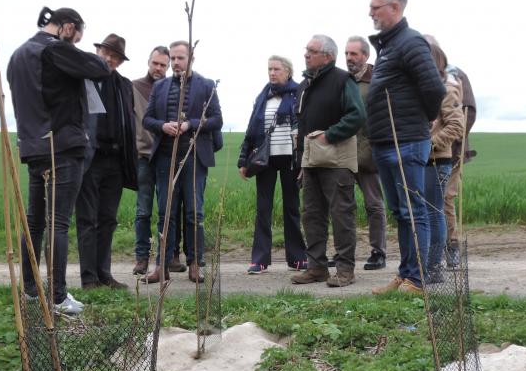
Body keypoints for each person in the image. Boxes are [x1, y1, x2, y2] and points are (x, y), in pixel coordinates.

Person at [7, 6, 110, 315]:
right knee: (59, 222)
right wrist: (72, 49)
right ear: (67, 27)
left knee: (35, 222)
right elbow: (100, 67)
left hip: (33, 146)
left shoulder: (17, 55)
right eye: (77, 37)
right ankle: (58, 296)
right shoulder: (54, 50)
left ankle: (29, 290)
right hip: (62, 146)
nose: (75, 44)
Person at [364, 0, 445, 295]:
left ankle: (418, 280)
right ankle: (405, 274)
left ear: (394, 7)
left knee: (414, 210)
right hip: (386, 140)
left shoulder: (410, 42)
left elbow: (434, 89)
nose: (370, 12)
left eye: (375, 7)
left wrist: (422, 120)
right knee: (400, 212)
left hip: (406, 140)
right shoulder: (390, 46)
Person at [141, 40, 223, 284]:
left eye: (180, 58)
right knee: (165, 212)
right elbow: (147, 120)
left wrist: (191, 125)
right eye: (173, 59)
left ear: (191, 59)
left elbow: (217, 119)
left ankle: (195, 264)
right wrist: (162, 126)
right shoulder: (160, 87)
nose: (175, 63)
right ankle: (161, 266)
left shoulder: (206, 86)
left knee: (193, 212)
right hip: (166, 157)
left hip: (194, 157)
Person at [289, 35, 366, 288]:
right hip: (311, 162)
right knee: (312, 215)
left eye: (312, 50)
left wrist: (330, 135)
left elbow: (357, 115)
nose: (306, 54)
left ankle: (345, 270)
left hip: (338, 161)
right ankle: (317, 268)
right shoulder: (304, 86)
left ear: (328, 56)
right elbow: (301, 127)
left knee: (342, 214)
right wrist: (301, 161)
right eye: (306, 49)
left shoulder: (343, 80)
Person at [76, 33, 137, 290]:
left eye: (115, 57)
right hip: (89, 159)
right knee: (87, 219)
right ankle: (89, 278)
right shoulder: (82, 79)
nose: (110, 59)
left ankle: (105, 274)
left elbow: (130, 123)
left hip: (115, 160)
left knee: (108, 219)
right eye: (107, 53)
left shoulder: (123, 85)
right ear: (98, 52)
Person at [237, 55, 306, 274]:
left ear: (288, 71)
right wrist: (243, 160)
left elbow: (304, 126)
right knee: (263, 209)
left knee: (292, 208)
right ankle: (259, 260)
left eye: (276, 69)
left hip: (290, 158)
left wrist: (304, 159)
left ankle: (297, 258)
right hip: (264, 160)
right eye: (269, 69)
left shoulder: (299, 94)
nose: (272, 73)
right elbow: (252, 129)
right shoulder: (262, 97)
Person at [426, 34, 478, 267]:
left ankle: (452, 247)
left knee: (446, 200)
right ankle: (430, 255)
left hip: (451, 150)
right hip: (428, 152)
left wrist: (453, 146)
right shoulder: (421, 78)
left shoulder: (455, 77)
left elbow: (467, 115)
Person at [422, 38, 465, 281]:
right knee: (424, 211)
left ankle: (435, 268)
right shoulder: (423, 90)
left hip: (437, 160)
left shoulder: (446, 89)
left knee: (434, 211)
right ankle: (426, 265)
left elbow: (457, 125)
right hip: (421, 160)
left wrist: (429, 143)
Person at [344, 36, 387, 271]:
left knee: (373, 205)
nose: (349, 58)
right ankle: (345, 252)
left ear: (366, 56)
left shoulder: (377, 80)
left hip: (370, 153)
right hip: (343, 153)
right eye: (347, 54)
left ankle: (378, 251)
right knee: (343, 206)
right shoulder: (343, 81)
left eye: (354, 54)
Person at [132, 46, 169, 276]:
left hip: (165, 157)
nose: (158, 68)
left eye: (163, 65)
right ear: (148, 62)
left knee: (167, 211)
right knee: (143, 211)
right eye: (155, 63)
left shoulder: (172, 88)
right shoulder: (134, 87)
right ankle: (141, 258)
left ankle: (166, 258)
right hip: (143, 156)